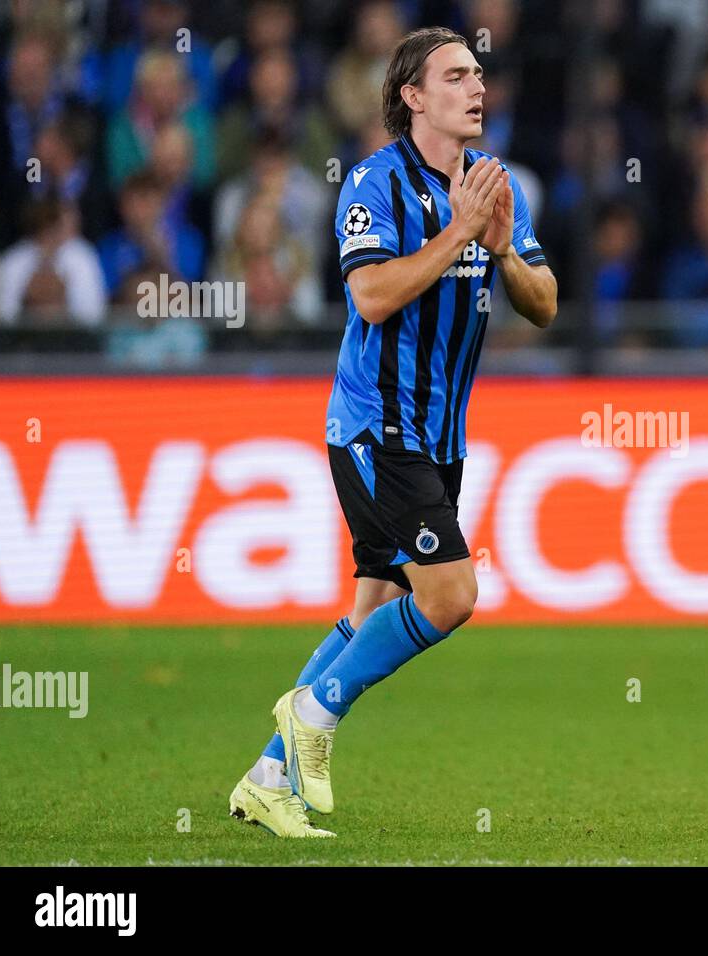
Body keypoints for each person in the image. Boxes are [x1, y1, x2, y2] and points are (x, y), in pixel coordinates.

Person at [228, 26, 557, 838]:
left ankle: (268, 779)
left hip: (441, 441)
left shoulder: (491, 183)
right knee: (450, 596)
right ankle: (314, 714)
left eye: (480, 73)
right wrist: (457, 236)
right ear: (413, 95)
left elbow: (544, 303)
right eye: (456, 75)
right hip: (378, 432)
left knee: (374, 606)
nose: (477, 87)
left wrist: (501, 249)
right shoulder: (373, 183)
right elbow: (371, 296)